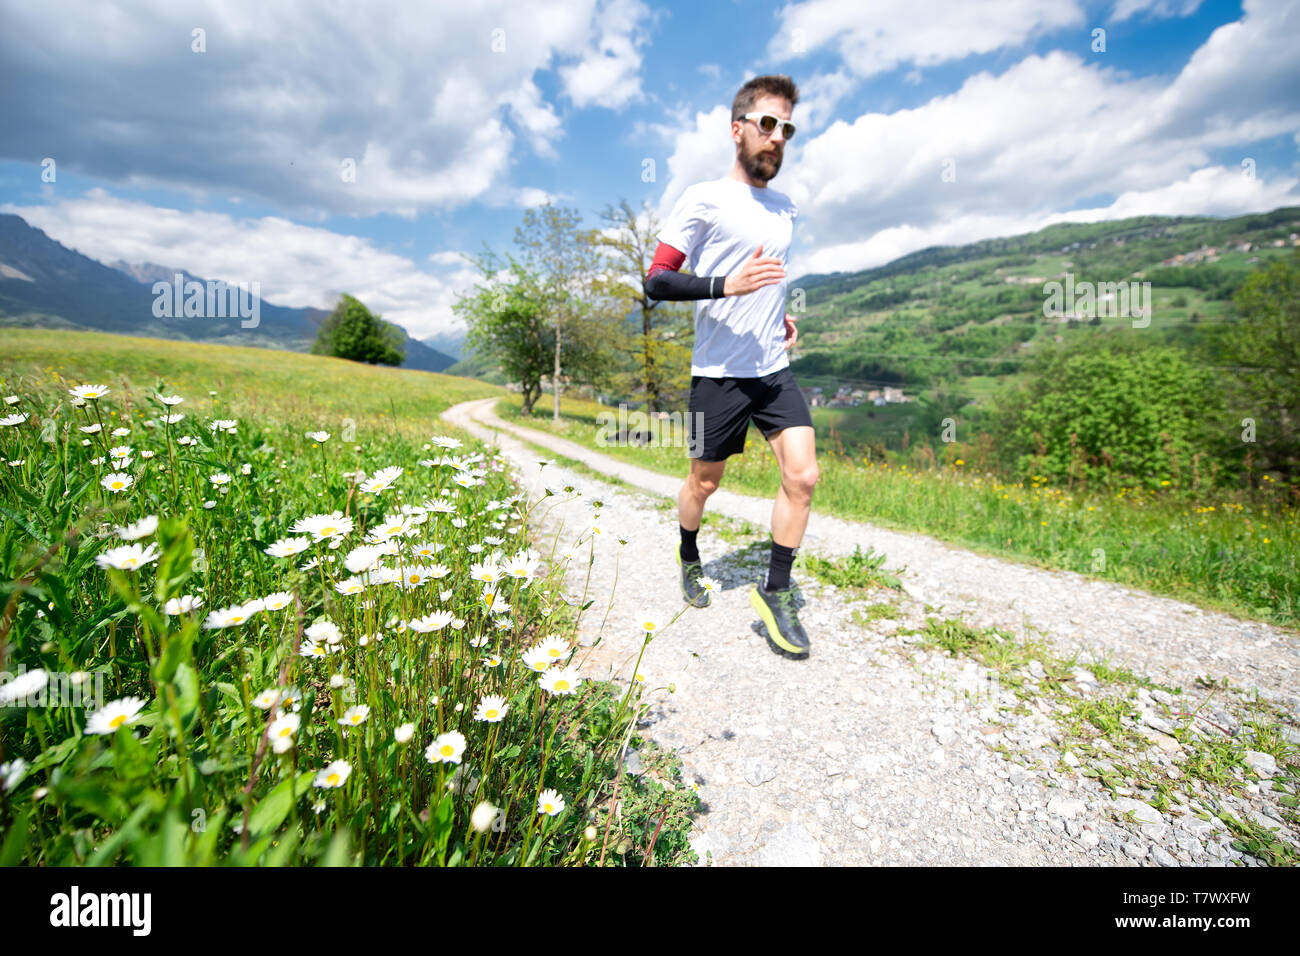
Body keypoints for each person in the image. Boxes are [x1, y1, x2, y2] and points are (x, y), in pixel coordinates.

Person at [644, 73, 818, 658]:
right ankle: (688, 554)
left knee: (803, 476)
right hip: (715, 373)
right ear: (738, 128)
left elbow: (769, 280)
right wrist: (725, 285)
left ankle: (776, 591)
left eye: (787, 128)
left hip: (772, 367)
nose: (777, 137)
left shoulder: (787, 207)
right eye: (767, 124)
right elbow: (657, 281)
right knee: (704, 481)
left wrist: (781, 316)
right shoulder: (703, 198)